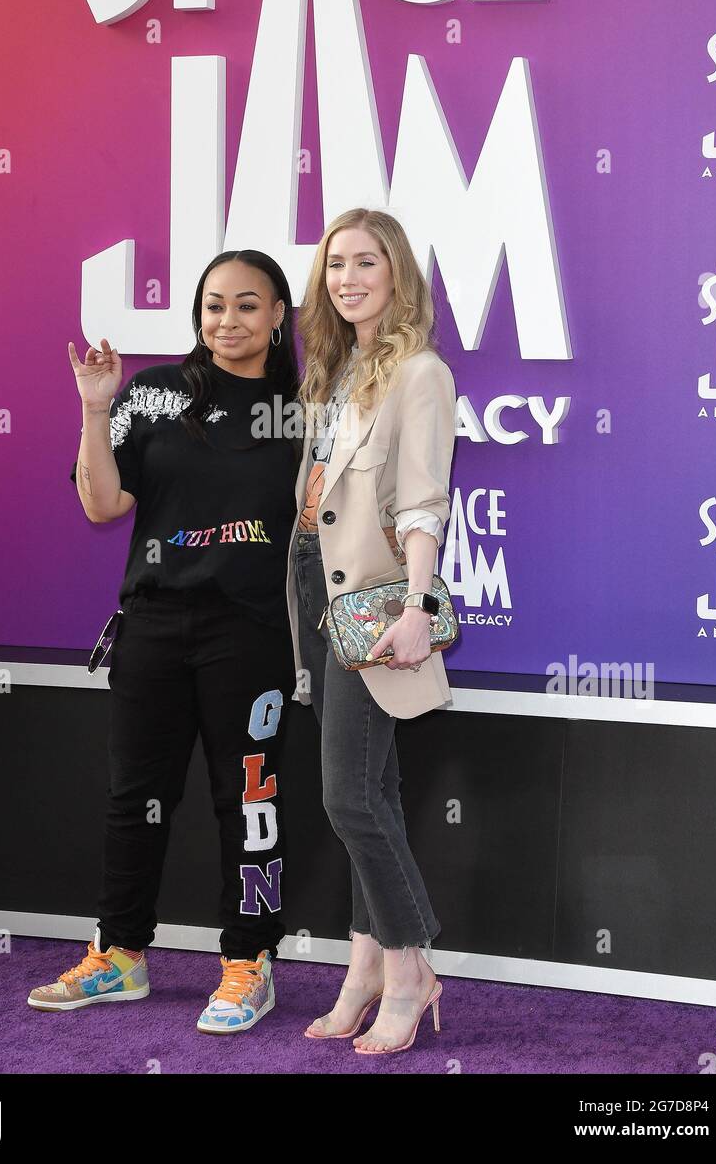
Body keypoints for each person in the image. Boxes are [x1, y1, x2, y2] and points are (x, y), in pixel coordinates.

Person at [28, 251, 301, 1034]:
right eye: (214, 306)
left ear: (280, 314)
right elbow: (102, 504)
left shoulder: (305, 406)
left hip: (248, 633)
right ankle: (119, 955)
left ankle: (249, 961)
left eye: (247, 306)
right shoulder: (152, 393)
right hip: (151, 625)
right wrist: (92, 408)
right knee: (133, 798)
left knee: (247, 796)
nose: (228, 321)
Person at [287, 207, 457, 1055]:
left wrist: (419, 611)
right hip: (318, 597)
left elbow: (425, 498)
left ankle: (410, 966)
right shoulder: (338, 366)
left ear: (396, 275)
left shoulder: (417, 372)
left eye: (365, 262)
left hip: (377, 606)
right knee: (372, 793)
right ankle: (364, 966)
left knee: (348, 797)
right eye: (335, 265)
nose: (346, 278)